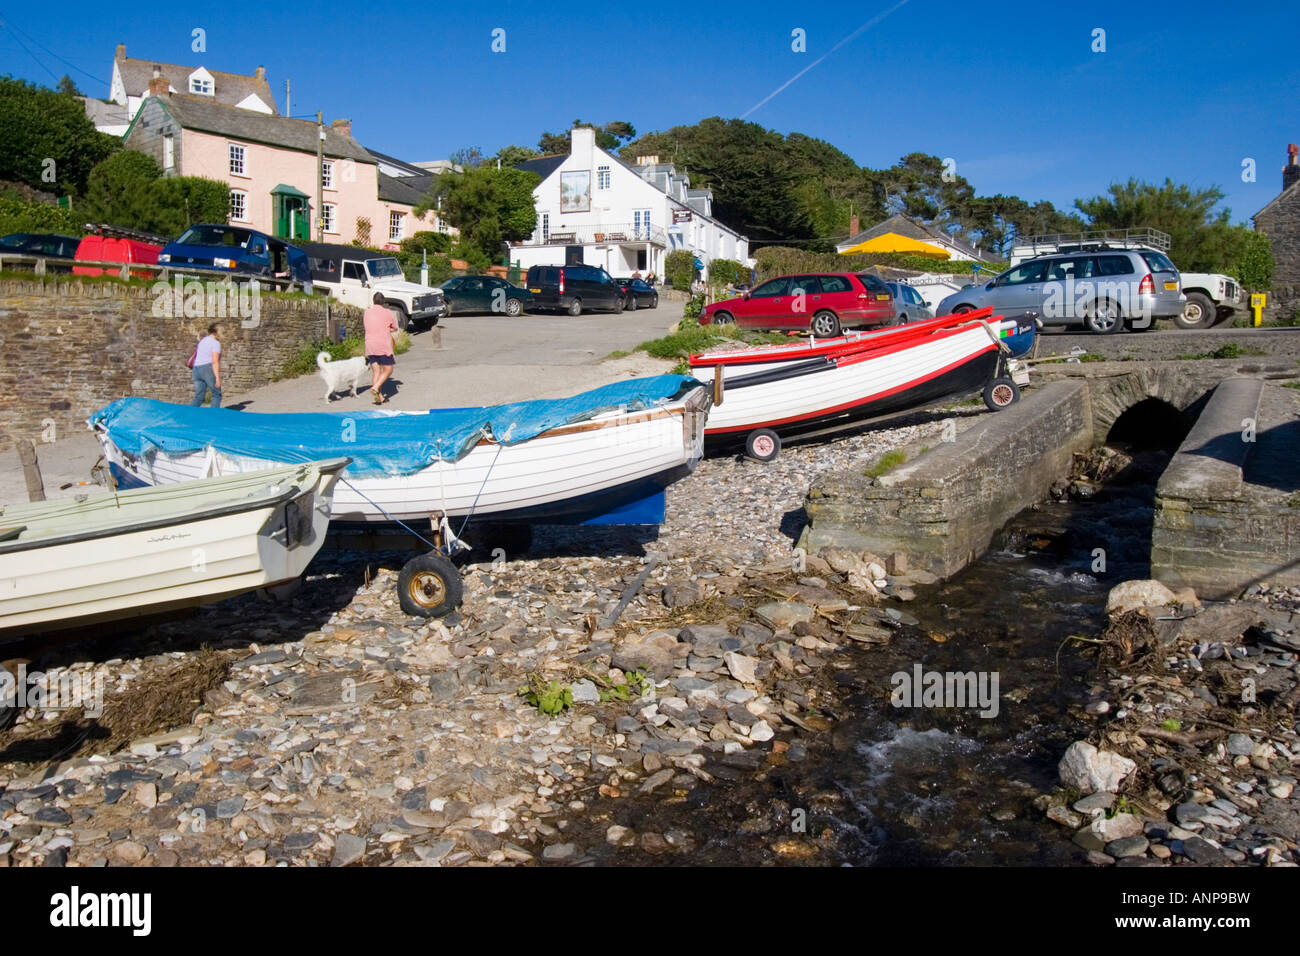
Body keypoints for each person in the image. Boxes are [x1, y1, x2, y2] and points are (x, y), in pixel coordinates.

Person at [363, 292, 397, 404]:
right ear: (383, 301)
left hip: (370, 344)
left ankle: (380, 397)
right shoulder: (387, 313)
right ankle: (376, 387)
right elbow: (394, 327)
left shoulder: (367, 313)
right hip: (382, 344)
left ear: (373, 301)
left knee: (376, 370)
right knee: (388, 369)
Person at [190, 323, 222, 407]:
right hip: (207, 368)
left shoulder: (202, 341)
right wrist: (217, 378)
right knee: (216, 394)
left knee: (199, 397)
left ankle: (185, 414)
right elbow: (215, 361)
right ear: (217, 332)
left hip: (196, 369)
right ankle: (214, 417)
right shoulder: (215, 343)